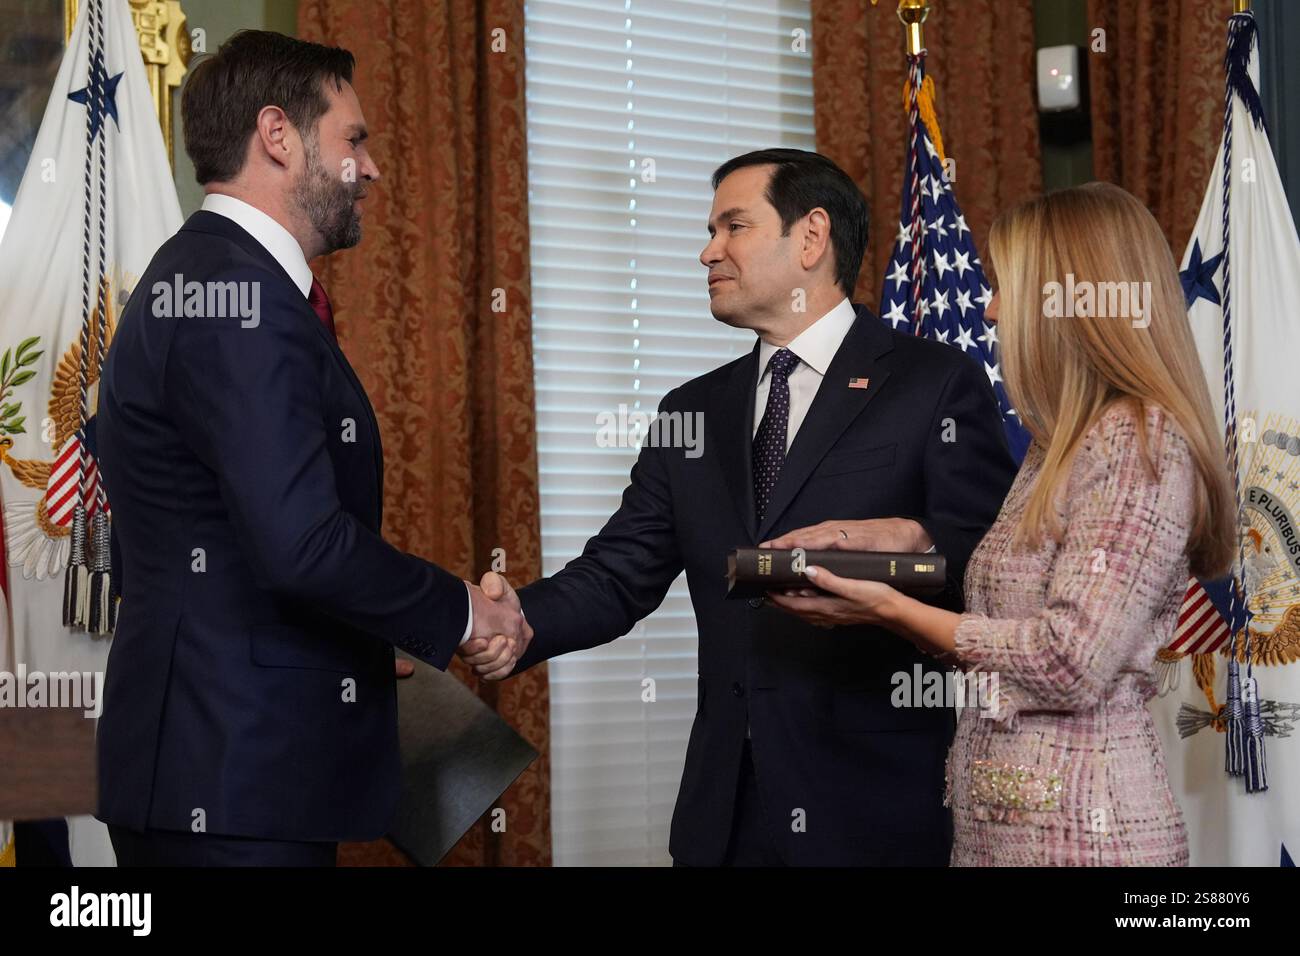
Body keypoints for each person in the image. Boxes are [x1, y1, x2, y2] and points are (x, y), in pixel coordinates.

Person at [466, 148, 1018, 865]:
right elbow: (620, 571)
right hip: (725, 814)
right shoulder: (691, 411)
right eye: (710, 230)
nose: (708, 252)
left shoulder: (932, 384)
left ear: (811, 237)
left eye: (733, 227)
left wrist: (903, 554)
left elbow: (988, 564)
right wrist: (519, 620)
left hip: (878, 810)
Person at [94, 30, 527, 866]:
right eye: (354, 139)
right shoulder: (233, 296)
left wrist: (365, 642)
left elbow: (243, 538)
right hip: (228, 781)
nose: (370, 168)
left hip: (234, 769)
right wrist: (466, 612)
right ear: (278, 136)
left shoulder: (221, 281)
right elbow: (300, 544)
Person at [767, 182, 1236, 866]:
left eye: (1005, 286)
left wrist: (892, 610)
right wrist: (900, 544)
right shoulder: (1058, 445)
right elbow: (1005, 620)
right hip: (1003, 835)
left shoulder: (1141, 442)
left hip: (1087, 839)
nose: (988, 308)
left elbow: (1070, 662)